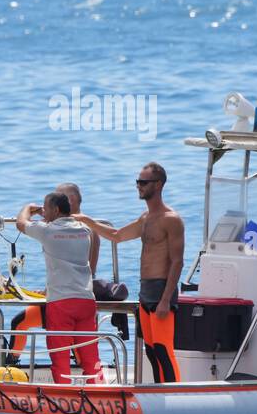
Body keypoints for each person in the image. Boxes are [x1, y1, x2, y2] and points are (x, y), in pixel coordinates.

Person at [77, 162, 185, 383]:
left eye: (144, 182)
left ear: (159, 185)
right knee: (151, 351)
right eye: (138, 182)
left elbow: (177, 262)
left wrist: (166, 300)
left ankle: (175, 395)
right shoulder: (146, 218)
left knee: (164, 351)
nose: (139, 186)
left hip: (162, 291)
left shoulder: (171, 219)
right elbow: (117, 235)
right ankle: (159, 392)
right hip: (145, 291)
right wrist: (87, 220)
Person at [16, 192, 102, 384]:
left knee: (60, 356)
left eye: (46, 209)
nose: (43, 212)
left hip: (61, 303)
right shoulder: (84, 230)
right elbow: (92, 237)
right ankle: (98, 390)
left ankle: (64, 395)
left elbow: (21, 223)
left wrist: (30, 208)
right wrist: (47, 212)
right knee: (90, 356)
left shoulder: (47, 231)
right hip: (86, 300)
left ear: (55, 210)